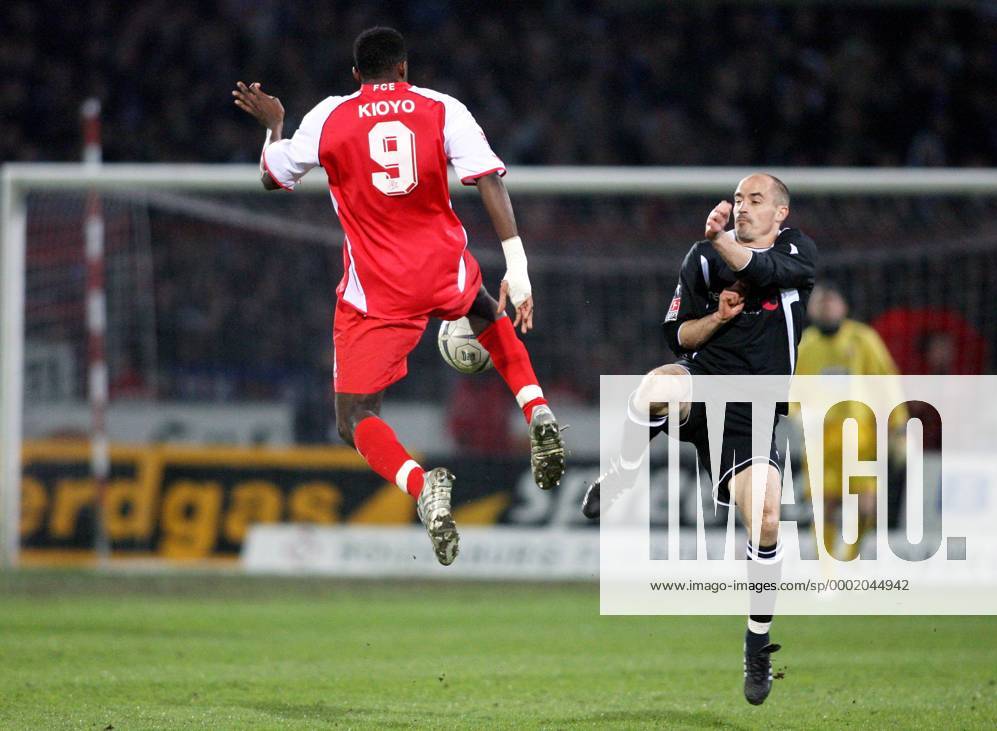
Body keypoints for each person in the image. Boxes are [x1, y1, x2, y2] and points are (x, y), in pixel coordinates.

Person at [232, 27, 565, 567]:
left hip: (376, 289)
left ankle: (420, 484)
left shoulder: (329, 116)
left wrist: (274, 127)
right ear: (404, 68)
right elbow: (488, 180)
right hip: (440, 265)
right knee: (482, 307)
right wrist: (518, 266)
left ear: (356, 75)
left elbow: (272, 177)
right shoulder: (442, 107)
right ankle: (537, 408)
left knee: (354, 417)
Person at [582, 174, 816, 705]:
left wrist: (721, 240)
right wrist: (717, 316)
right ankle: (621, 475)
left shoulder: (797, 251)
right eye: (737, 199)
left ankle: (756, 644)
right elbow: (678, 335)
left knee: (768, 519)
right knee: (656, 386)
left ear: (780, 212)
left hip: (753, 415)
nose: (743, 207)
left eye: (755, 200)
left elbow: (762, 270)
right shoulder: (703, 258)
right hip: (704, 384)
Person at [796, 282, 907, 561]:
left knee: (866, 506)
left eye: (831, 302)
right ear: (811, 310)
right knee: (825, 505)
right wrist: (797, 415)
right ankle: (825, 567)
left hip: (860, 436)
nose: (826, 308)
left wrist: (899, 424)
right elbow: (792, 390)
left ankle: (850, 557)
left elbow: (887, 381)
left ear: (843, 307)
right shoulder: (804, 345)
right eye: (820, 304)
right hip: (821, 438)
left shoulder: (862, 339)